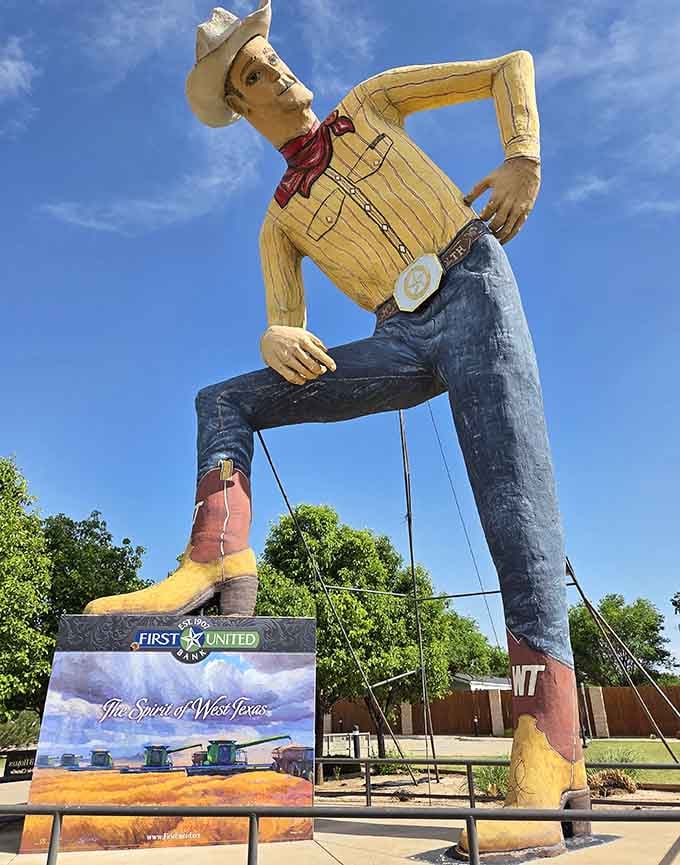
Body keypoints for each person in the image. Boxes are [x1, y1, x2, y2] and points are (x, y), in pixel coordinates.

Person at [85, 2, 590, 856]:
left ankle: (550, 750)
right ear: (241, 105)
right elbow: (289, 328)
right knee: (223, 399)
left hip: (471, 285)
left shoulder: (374, 101)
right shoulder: (281, 219)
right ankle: (215, 559)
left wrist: (522, 156)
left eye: (273, 57)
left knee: (515, 509)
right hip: (397, 335)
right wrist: (274, 336)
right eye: (255, 74)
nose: (277, 73)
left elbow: (508, 65)